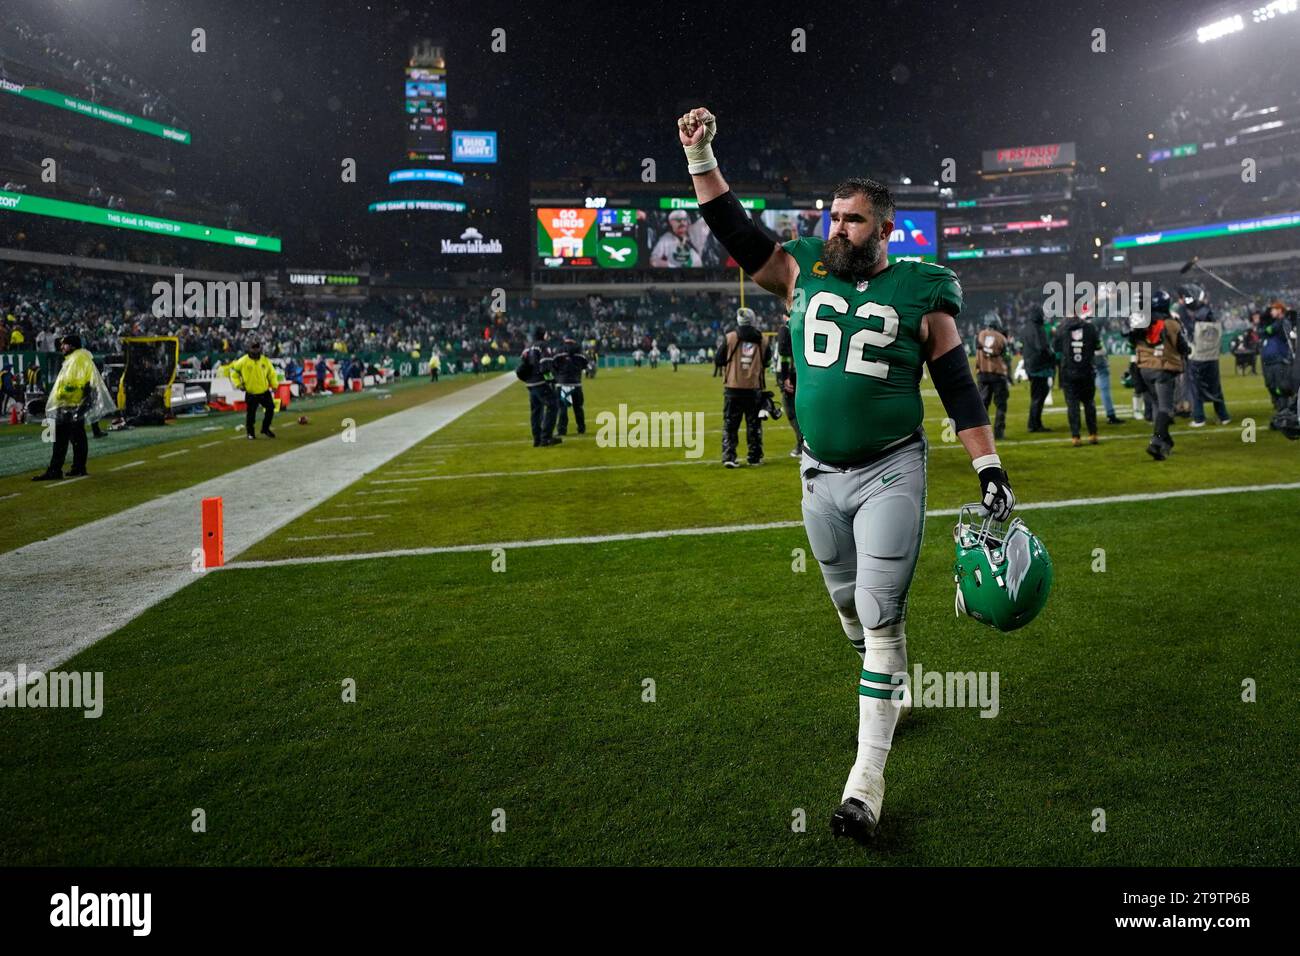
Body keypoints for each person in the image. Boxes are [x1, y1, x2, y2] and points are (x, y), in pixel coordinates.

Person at [677, 107, 1015, 840]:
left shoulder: (924, 289)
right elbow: (736, 233)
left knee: (881, 614)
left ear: (885, 229)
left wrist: (987, 466)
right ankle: (888, 693)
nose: (838, 229)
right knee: (846, 608)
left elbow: (958, 386)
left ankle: (865, 788)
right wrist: (702, 155)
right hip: (817, 473)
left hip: (892, 469)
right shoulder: (803, 267)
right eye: (834, 217)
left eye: (854, 220)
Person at [32, 335, 114, 481]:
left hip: (71, 406)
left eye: (65, 344)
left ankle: (57, 470)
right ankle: (76, 468)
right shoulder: (75, 358)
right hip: (70, 405)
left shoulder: (78, 359)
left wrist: (77, 404)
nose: (62, 347)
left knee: (63, 439)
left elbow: (82, 384)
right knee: (75, 438)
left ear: (73, 346)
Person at [1131, 289, 1187, 461]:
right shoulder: (1170, 322)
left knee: (1157, 406)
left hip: (1144, 369)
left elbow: (1133, 340)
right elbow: (1182, 346)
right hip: (1163, 368)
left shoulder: (1142, 321)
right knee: (1166, 408)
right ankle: (1156, 442)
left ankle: (1166, 442)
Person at [714, 307, 771, 467]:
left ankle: (729, 456)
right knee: (754, 424)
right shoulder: (763, 339)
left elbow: (718, 359)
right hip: (753, 388)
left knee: (730, 425)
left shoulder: (730, 337)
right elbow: (767, 361)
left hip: (733, 387)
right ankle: (754, 457)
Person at [1178, 285, 1230, 427]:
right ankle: (1223, 416)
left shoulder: (1193, 317)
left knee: (1196, 388)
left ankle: (1199, 418)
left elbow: (1188, 325)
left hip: (1199, 356)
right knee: (1216, 387)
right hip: (1212, 356)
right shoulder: (1210, 313)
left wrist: (1183, 306)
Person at [1052, 308, 1102, 446]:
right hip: (1087, 371)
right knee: (1089, 403)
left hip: (1069, 372)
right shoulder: (1090, 328)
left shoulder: (1061, 328)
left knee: (1072, 405)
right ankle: (1093, 434)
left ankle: (1076, 436)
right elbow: (1098, 346)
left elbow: (1055, 348)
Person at [229, 339, 279, 439]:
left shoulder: (265, 360)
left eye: (257, 347)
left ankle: (265, 429)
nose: (256, 350)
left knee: (270, 409)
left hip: (264, 391)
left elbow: (272, 374)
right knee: (251, 415)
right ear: (249, 349)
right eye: (254, 348)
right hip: (251, 393)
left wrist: (274, 385)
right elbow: (233, 372)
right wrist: (239, 384)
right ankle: (250, 433)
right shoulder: (243, 361)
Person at [519, 327, 561, 446]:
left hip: (530, 383)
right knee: (553, 406)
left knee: (536, 411)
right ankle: (546, 437)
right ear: (542, 334)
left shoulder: (527, 346)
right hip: (540, 382)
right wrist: (551, 380)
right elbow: (545, 366)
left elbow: (522, 365)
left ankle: (537, 439)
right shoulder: (542, 345)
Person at [974, 311, 1010, 440]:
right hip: (998, 375)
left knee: (983, 405)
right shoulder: (1002, 338)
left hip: (983, 374)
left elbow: (977, 354)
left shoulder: (979, 335)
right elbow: (1007, 357)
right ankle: (999, 433)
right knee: (1001, 405)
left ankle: (983, 434)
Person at [1257, 301, 1296, 421]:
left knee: (1281, 388)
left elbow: (1265, 331)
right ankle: (1282, 411)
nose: (1271, 312)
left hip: (1280, 361)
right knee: (1272, 386)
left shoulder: (1282, 323)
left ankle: (1285, 413)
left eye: (1273, 309)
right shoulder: (1276, 323)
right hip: (1270, 362)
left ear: (1280, 310)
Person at [1022, 305, 1055, 432]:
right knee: (1039, 396)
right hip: (1040, 367)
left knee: (1037, 396)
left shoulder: (1026, 328)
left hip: (1031, 366)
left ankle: (1034, 423)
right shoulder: (1038, 328)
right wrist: (1050, 357)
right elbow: (1042, 347)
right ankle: (1034, 424)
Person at [776, 312, 804, 456]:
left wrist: (785, 377)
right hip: (801, 374)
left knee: (791, 411)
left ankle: (802, 444)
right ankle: (803, 444)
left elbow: (784, 353)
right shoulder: (802, 326)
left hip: (790, 374)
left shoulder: (786, 329)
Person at [553, 335, 590, 436]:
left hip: (562, 382)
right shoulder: (579, 350)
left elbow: (554, 364)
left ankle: (561, 430)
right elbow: (585, 364)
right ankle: (581, 428)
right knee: (578, 408)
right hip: (576, 383)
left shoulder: (559, 349)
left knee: (562, 408)